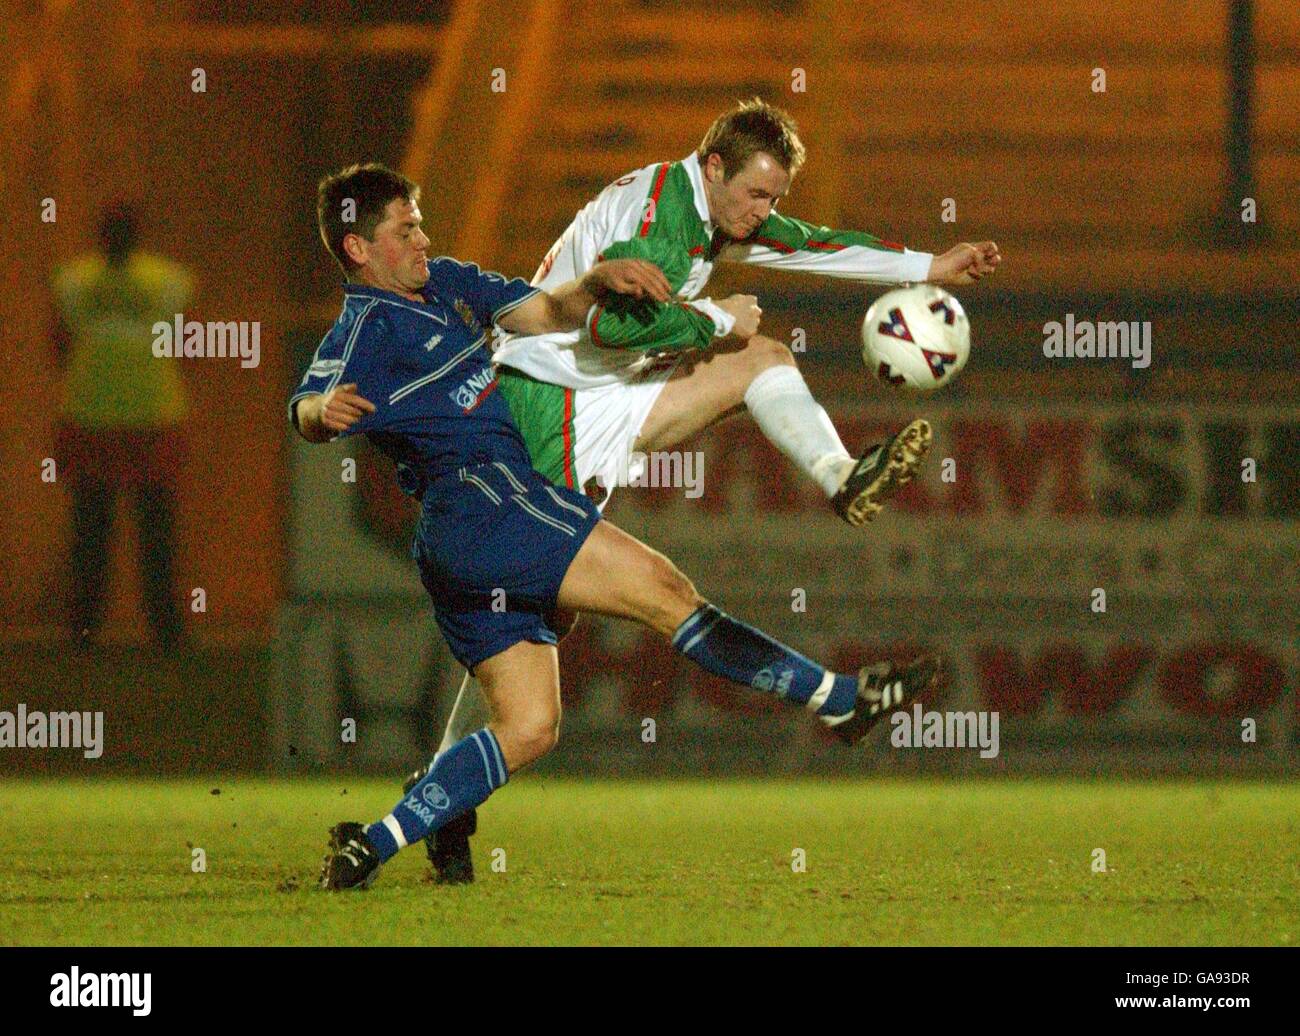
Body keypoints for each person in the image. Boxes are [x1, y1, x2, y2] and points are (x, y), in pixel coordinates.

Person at [293, 163, 944, 890]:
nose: (422, 237)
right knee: (668, 594)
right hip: (492, 501)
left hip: (453, 540)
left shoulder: (441, 283)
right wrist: (319, 414)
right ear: (357, 250)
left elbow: (544, 313)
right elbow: (310, 401)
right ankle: (840, 700)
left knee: (530, 726)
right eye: (405, 229)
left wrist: (596, 282)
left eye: (420, 222)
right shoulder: (367, 326)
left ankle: (369, 847)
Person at [414, 98, 1002, 882]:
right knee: (533, 620)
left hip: (600, 393)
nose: (766, 212)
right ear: (714, 167)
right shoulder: (661, 214)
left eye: (775, 198)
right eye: (758, 194)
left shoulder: (716, 208)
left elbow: (813, 245)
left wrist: (930, 267)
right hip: (545, 395)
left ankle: (839, 476)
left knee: (762, 359)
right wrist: (712, 320)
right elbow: (609, 328)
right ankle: (442, 804)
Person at [52, 202, 193, 652]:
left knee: (92, 529)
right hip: (151, 415)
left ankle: (85, 629)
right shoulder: (168, 281)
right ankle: (164, 630)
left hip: (94, 416)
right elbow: (188, 341)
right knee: (153, 531)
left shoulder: (73, 282)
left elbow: (59, 341)